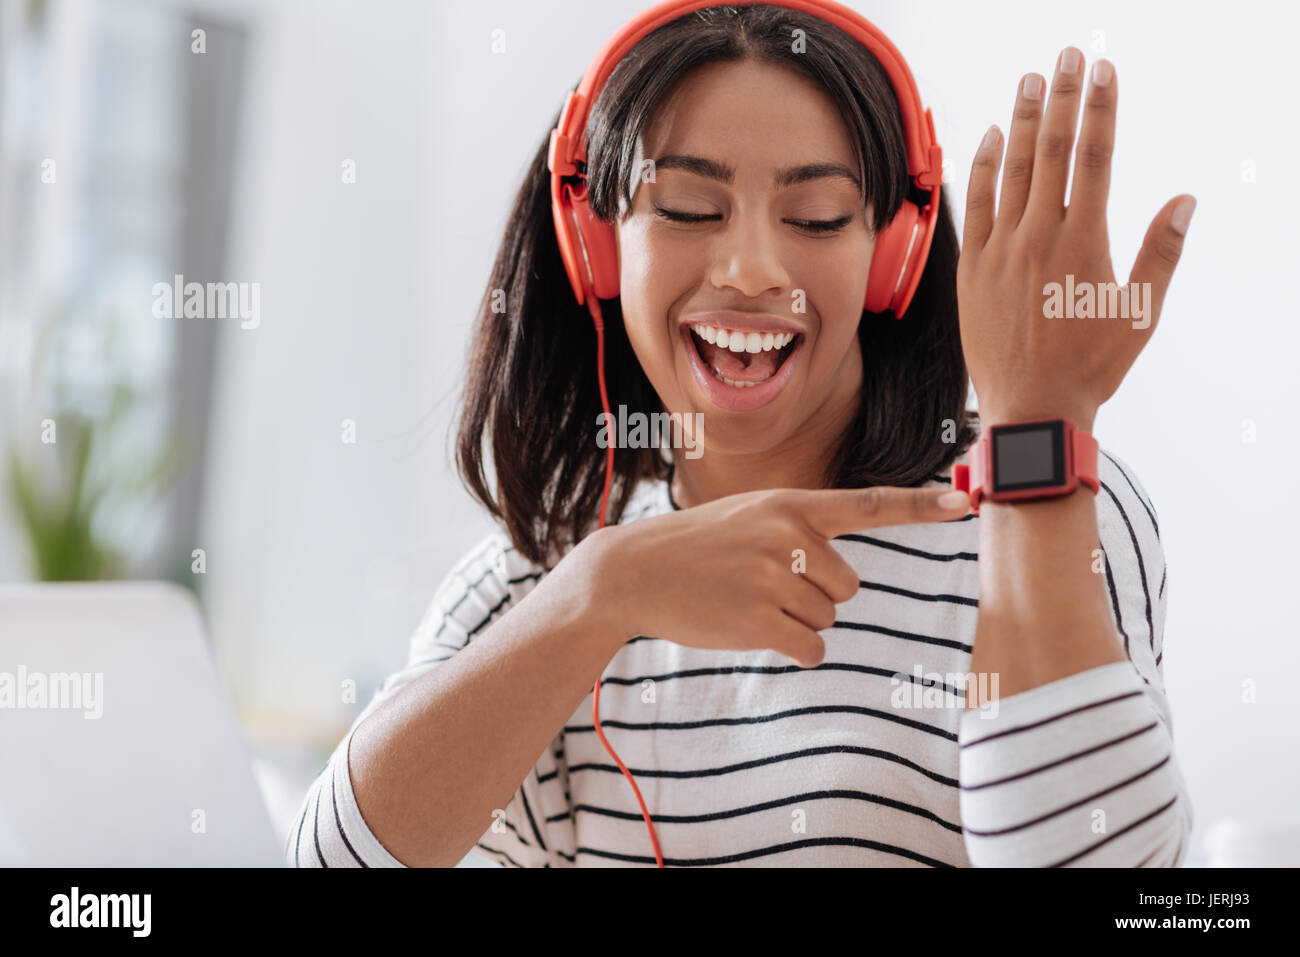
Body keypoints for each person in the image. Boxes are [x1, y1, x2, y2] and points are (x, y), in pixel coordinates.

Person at [288, 1, 1193, 867]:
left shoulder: (1044, 503)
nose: (753, 269)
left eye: (817, 218)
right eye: (686, 207)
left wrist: (1034, 430)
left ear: (894, 257)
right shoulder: (538, 585)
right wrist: (602, 590)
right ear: (596, 248)